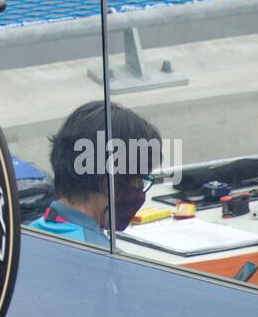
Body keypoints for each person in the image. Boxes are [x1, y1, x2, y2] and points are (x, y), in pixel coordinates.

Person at [31, 100, 162, 248]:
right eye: (139, 183)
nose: (140, 193)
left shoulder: (25, 235)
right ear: (107, 184)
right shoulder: (103, 257)